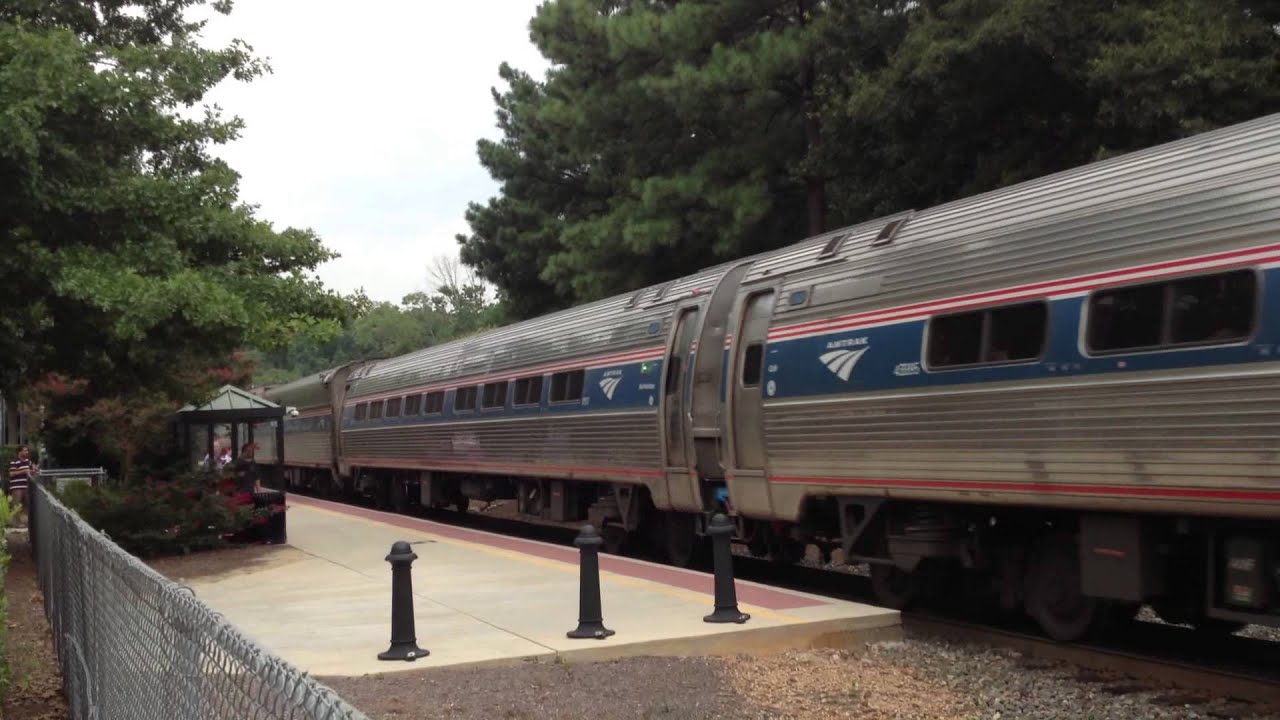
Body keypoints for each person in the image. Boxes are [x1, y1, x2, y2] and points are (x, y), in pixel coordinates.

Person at [6, 444, 37, 527]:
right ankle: (16, 523)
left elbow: (32, 472)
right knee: (16, 506)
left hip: (26, 486)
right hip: (17, 487)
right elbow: (11, 473)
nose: (27, 452)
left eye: (27, 450)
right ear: (20, 452)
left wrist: (34, 470)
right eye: (25, 450)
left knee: (28, 505)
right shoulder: (14, 461)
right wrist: (23, 471)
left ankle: (28, 523)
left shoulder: (28, 462)